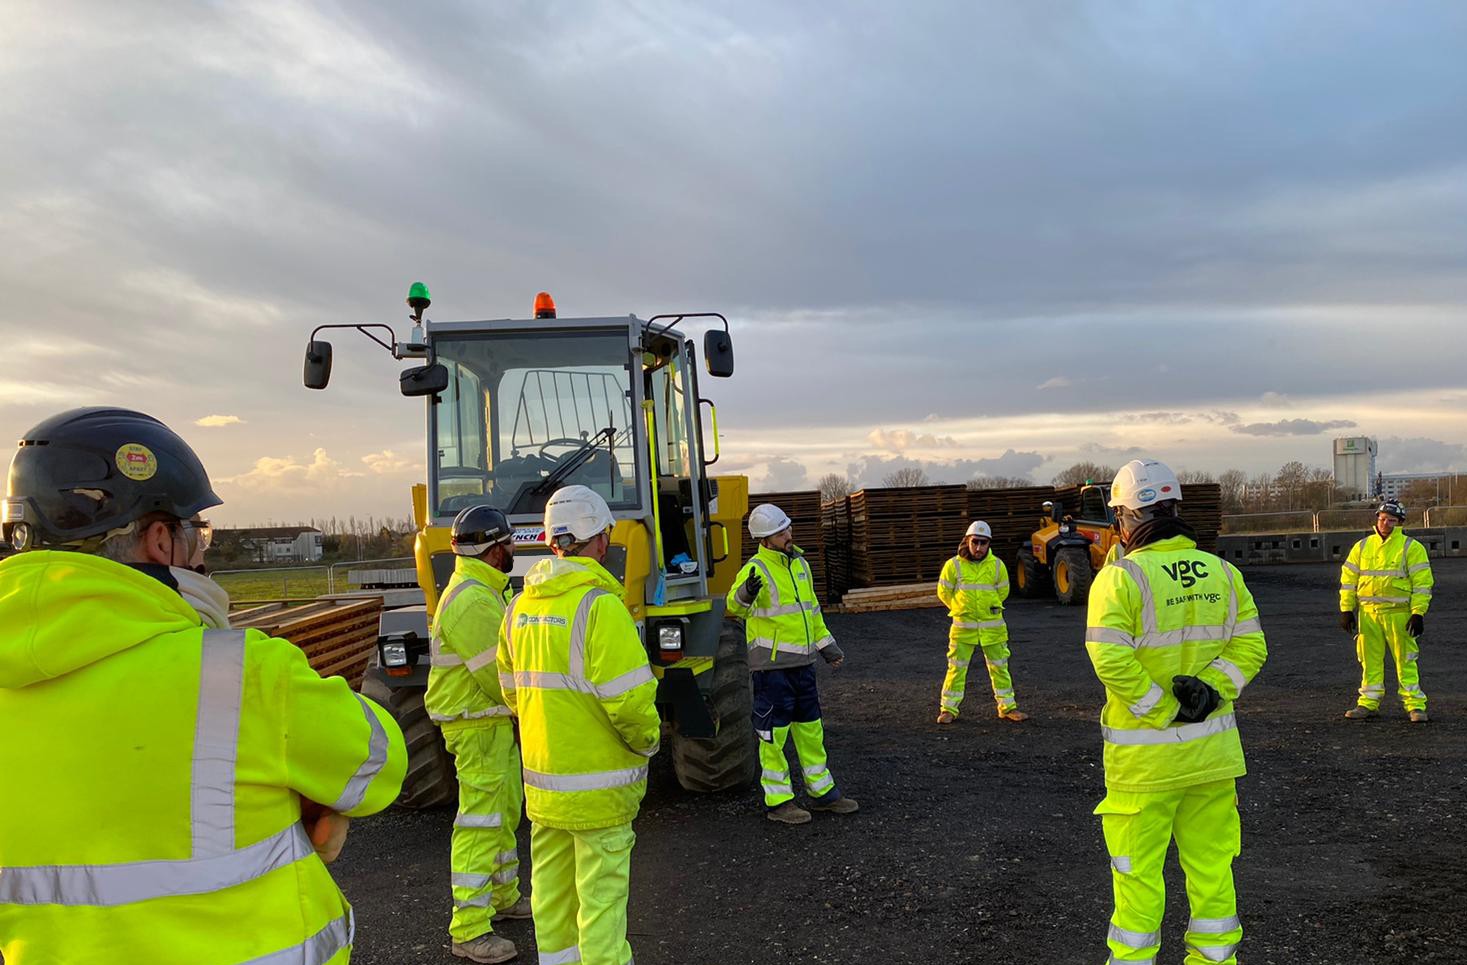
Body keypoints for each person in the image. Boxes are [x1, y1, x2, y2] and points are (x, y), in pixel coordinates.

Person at [0, 406, 406, 964]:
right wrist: (312, 798)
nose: (202, 552)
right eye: (200, 534)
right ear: (161, 540)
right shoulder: (240, 676)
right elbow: (377, 762)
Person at [1085, 459, 1268, 965]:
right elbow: (1252, 648)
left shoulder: (1120, 579)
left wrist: (1163, 711)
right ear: (1174, 510)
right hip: (1212, 760)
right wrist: (1208, 692)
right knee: (1212, 872)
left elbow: (1109, 658)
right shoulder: (1224, 573)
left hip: (1145, 769)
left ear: (1125, 516)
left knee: (1138, 878)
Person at [496, 485, 659, 965]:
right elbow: (631, 705)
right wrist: (647, 743)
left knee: (551, 897)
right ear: (602, 542)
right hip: (600, 791)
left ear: (550, 542)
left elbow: (511, 692)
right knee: (602, 900)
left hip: (545, 788)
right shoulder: (600, 607)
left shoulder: (519, 607)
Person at [428, 505, 533, 963]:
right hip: (476, 722)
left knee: (504, 810)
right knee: (481, 819)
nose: (513, 550)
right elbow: (499, 675)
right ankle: (469, 928)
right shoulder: (473, 600)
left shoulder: (484, 590)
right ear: (493, 550)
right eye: (508, 543)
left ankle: (504, 896)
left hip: (489, 720)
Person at [727, 503, 859, 825]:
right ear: (766, 538)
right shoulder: (755, 569)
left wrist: (828, 648)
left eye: (788, 528)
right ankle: (779, 801)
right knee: (773, 735)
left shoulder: (800, 566)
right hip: (771, 671)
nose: (789, 534)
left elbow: (812, 612)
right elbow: (733, 607)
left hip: (802, 666)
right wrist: (745, 593)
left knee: (811, 731)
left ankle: (822, 793)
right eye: (781, 531)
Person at [1338, 499, 1434, 722]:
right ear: (1376, 519)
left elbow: (1422, 583)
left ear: (1400, 522)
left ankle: (1415, 706)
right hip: (1368, 614)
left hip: (1399, 613)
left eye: (1391, 520)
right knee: (1369, 661)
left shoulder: (1411, 548)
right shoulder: (1362, 547)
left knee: (1406, 660)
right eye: (1382, 519)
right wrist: (1346, 609)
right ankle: (1368, 703)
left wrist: (1418, 613)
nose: (1386, 524)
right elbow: (1348, 579)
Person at [935, 520, 1026, 724]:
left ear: (989, 544)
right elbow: (943, 592)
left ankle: (1007, 707)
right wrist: (960, 608)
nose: (978, 547)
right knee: (956, 668)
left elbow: (1003, 592)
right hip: (963, 628)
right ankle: (948, 709)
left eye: (983, 543)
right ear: (967, 541)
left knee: (1000, 667)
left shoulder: (997, 566)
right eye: (975, 542)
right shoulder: (953, 565)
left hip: (992, 629)